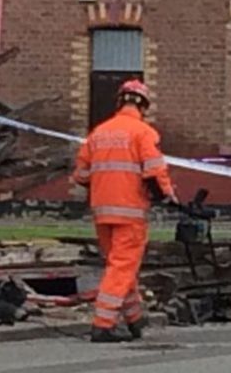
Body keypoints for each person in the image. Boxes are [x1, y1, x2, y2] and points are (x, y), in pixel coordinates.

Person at [72, 79, 178, 343]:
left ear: (120, 101)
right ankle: (103, 324)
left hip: (102, 211)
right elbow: (154, 171)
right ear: (143, 106)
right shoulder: (143, 133)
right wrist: (168, 195)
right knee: (122, 267)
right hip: (130, 212)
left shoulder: (98, 133)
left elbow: (81, 176)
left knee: (118, 265)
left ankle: (134, 318)